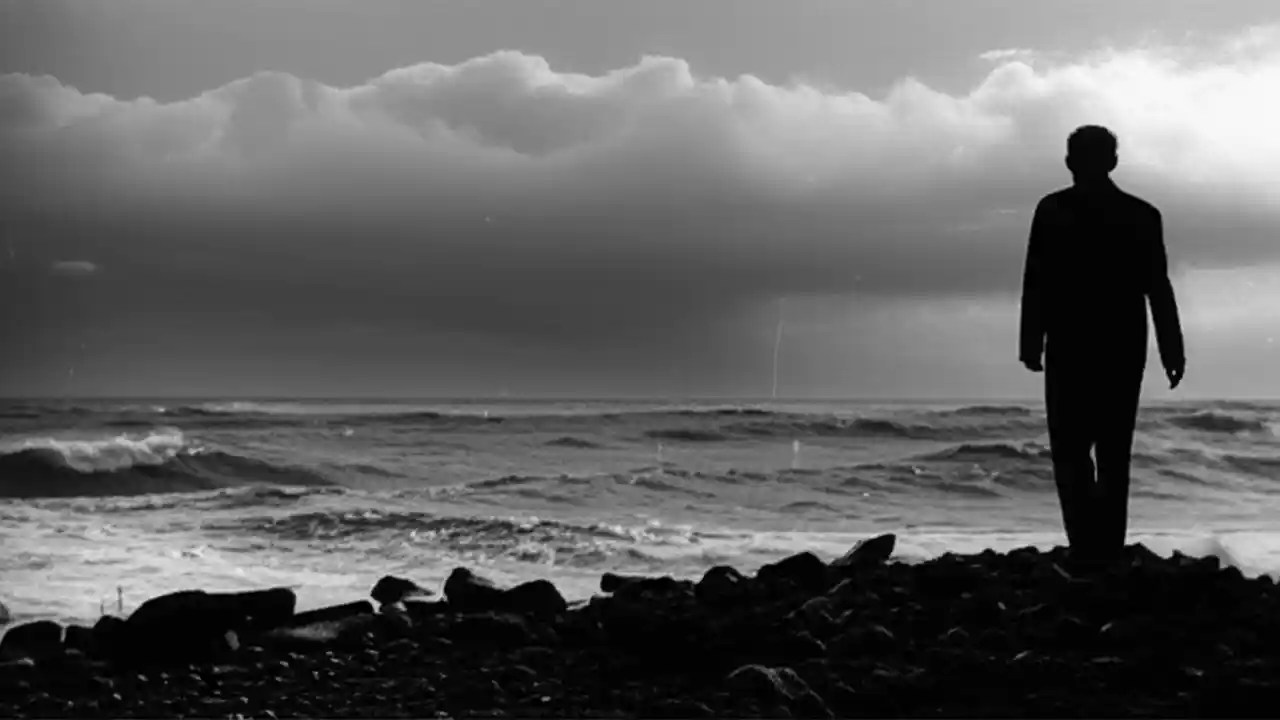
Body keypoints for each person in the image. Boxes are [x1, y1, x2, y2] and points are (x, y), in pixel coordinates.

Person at [1019, 125, 1185, 567]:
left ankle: (1085, 546)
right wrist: (1172, 348)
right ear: (1113, 161)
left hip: (1071, 342)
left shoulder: (1053, 210)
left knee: (1070, 451)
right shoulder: (1140, 214)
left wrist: (1031, 341)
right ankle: (1106, 550)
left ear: (1069, 161)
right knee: (1113, 451)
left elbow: (1036, 279)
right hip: (1122, 343)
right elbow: (1158, 287)